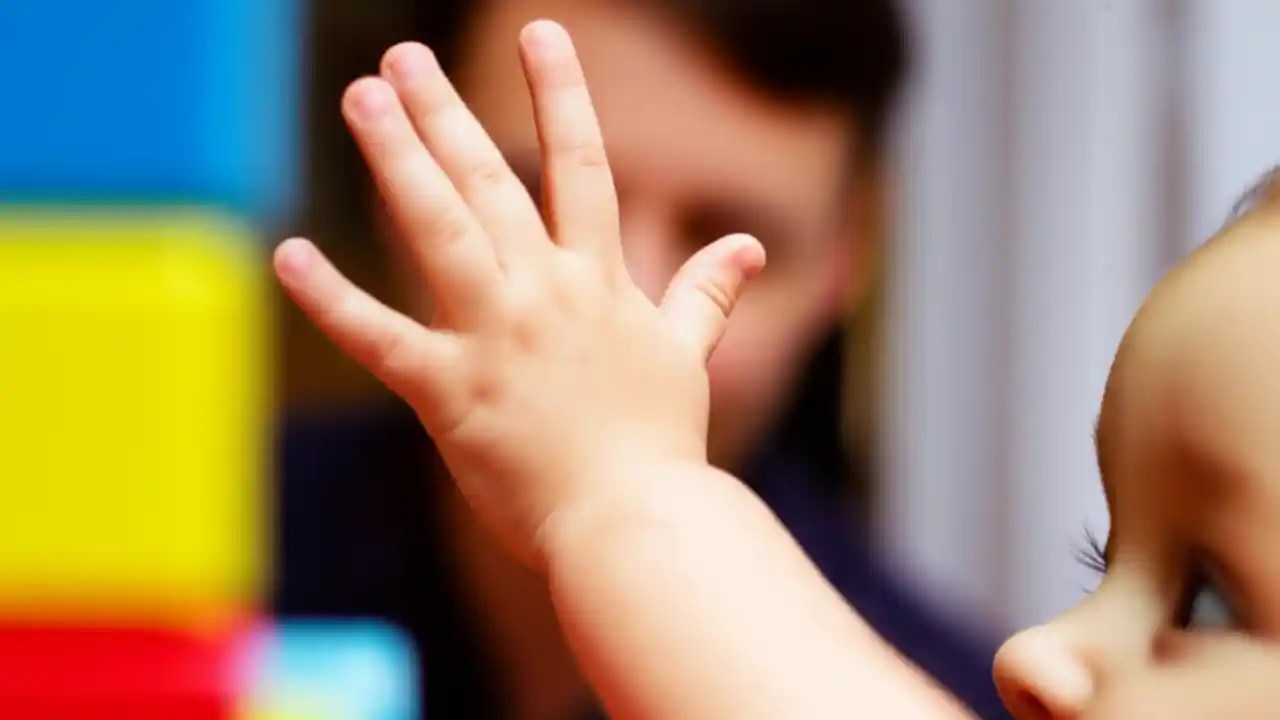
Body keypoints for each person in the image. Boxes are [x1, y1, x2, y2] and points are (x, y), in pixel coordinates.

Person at [277, 25, 1280, 716]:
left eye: (1204, 598)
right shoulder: (196, 544)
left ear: (851, 257)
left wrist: (618, 483)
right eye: (528, 195)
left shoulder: (909, 666)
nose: (624, 294)